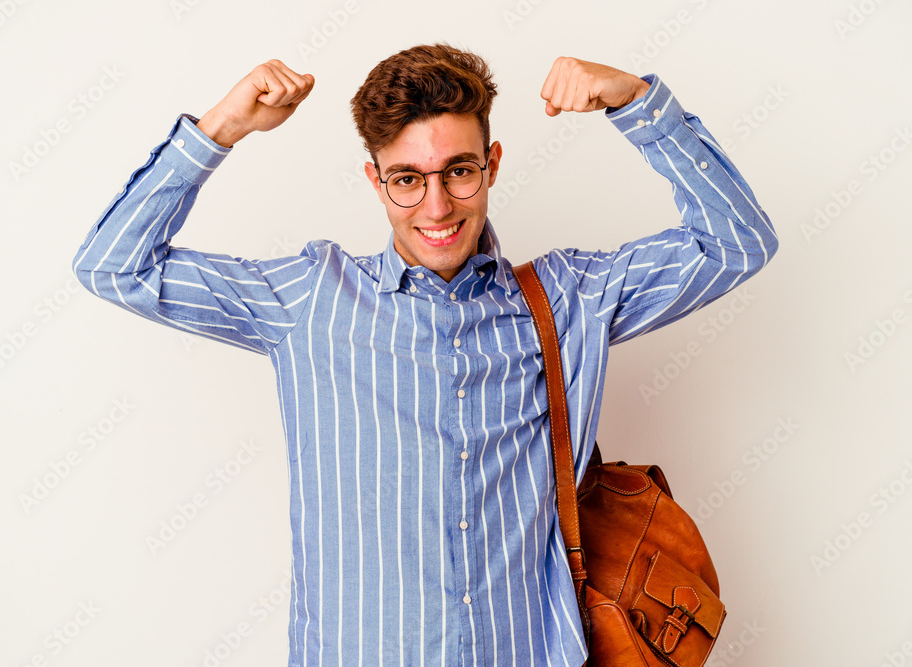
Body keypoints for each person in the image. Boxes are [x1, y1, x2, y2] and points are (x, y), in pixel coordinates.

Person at [73, 43, 777, 666]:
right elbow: (114, 265)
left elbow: (737, 242)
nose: (436, 205)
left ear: (492, 164)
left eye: (459, 172)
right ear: (376, 181)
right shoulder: (311, 300)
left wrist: (635, 102)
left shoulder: (569, 298)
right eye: (408, 178)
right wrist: (222, 127)